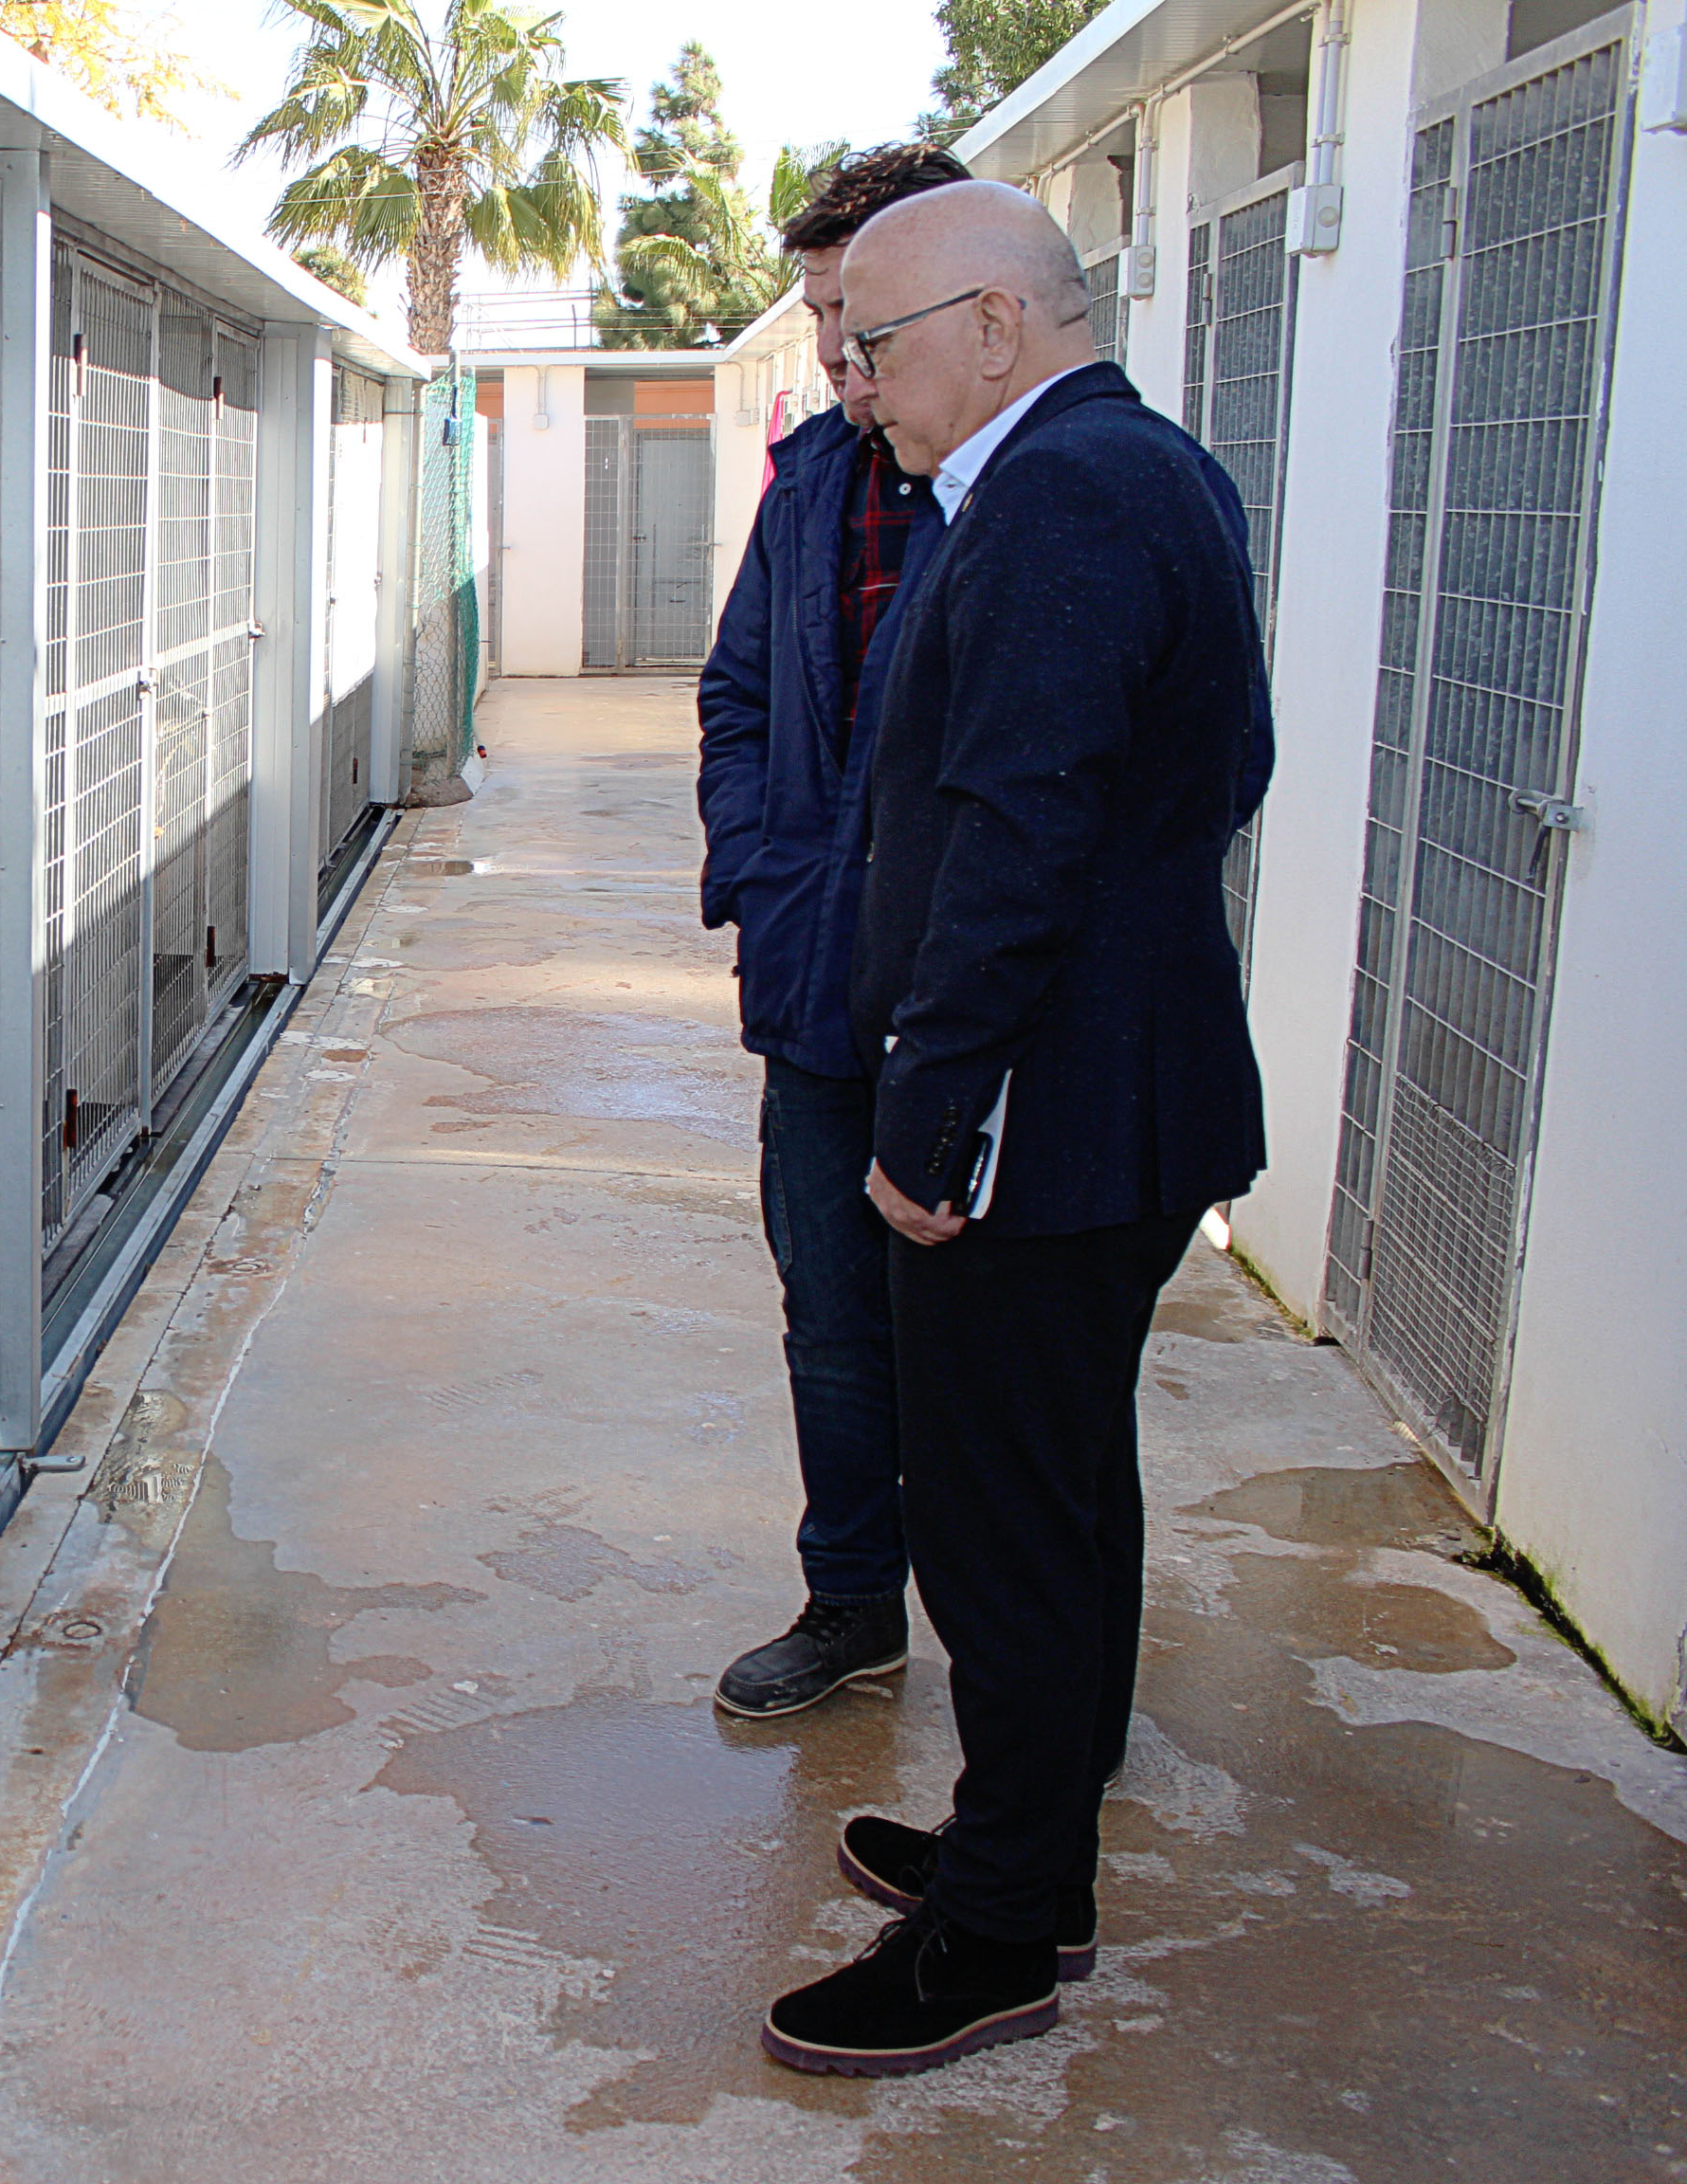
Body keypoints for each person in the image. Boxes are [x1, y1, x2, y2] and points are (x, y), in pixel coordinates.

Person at [758, 180, 1272, 2077]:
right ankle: (1018, 1859)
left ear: (991, 326)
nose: (854, 376)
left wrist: (930, 1114)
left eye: (874, 343)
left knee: (1002, 1533)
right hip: (1112, 1096)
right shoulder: (1150, 471)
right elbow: (1226, 774)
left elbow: (1019, 841)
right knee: (1057, 1503)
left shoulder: (1060, 497)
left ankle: (991, 1941)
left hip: (1042, 1120)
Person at [695, 143, 971, 1720]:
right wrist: (767, 865)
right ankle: (853, 1599)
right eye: (817, 316)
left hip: (974, 1005)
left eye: (854, 319)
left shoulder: (1016, 495)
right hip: (816, 987)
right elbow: (739, 692)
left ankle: (1040, 1660)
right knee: (833, 1318)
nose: (831, 353)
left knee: (1005, 1358)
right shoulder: (812, 488)